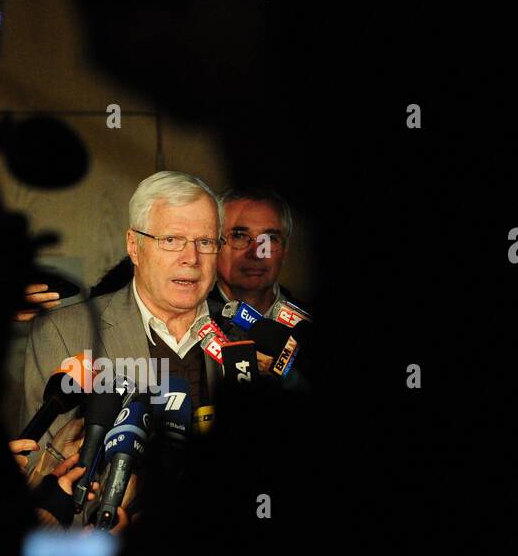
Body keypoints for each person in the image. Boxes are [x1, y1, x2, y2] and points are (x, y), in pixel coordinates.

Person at [18, 171, 224, 468]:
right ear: (133, 246)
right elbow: (39, 466)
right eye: (171, 240)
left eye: (205, 241)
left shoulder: (246, 334)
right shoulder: (64, 331)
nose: (191, 258)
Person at [209, 185, 312, 321]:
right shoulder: (187, 322)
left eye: (269, 238)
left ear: (285, 250)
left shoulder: (313, 329)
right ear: (214, 245)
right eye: (239, 236)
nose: (257, 253)